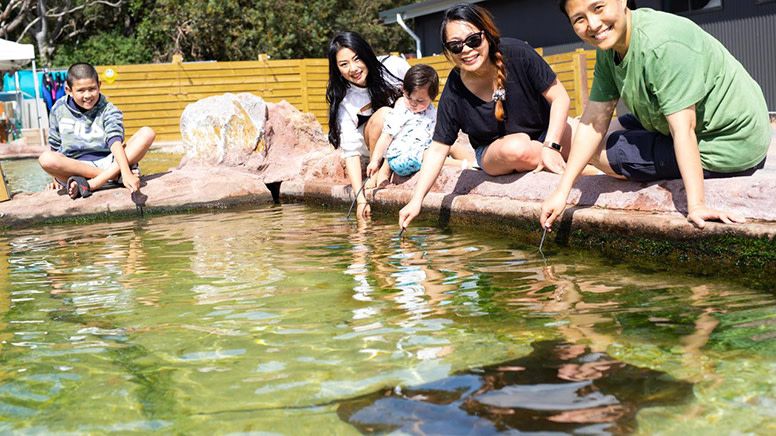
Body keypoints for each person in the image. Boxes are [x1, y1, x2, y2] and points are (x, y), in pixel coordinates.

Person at [542, 0, 770, 230]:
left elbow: (683, 130)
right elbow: (594, 121)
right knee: (586, 134)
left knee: (597, 154)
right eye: (579, 19)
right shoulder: (609, 48)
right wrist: (562, 192)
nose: (593, 24)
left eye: (598, 8)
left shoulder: (661, 44)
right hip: (671, 116)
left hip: (729, 141)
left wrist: (696, 205)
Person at [398, 3, 577, 231]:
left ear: (487, 34)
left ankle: (565, 161)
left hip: (545, 135)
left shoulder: (518, 53)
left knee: (583, 136)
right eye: (456, 46)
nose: (466, 50)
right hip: (495, 152)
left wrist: (551, 146)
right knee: (516, 147)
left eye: (473, 40)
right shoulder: (454, 89)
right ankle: (578, 170)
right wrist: (416, 200)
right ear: (448, 50)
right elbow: (438, 148)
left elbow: (560, 98)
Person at [38, 62, 155, 199]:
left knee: (147, 133)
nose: (87, 95)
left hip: (109, 161)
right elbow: (55, 145)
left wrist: (124, 170)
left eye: (92, 89)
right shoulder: (58, 109)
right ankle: (114, 177)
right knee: (46, 159)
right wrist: (55, 178)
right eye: (81, 90)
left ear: (99, 85)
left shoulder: (108, 109)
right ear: (68, 90)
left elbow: (114, 140)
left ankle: (94, 183)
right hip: (75, 167)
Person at [326, 31, 410, 219]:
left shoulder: (393, 66)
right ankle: (377, 171)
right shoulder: (346, 100)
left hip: (405, 133)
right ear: (337, 69)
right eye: (344, 64)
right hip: (372, 145)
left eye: (357, 59)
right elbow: (351, 152)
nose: (353, 68)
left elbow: (422, 90)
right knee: (385, 114)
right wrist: (361, 200)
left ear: (366, 54)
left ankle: (470, 164)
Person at [366, 64, 472, 182]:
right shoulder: (401, 110)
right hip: (403, 157)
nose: (413, 103)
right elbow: (386, 136)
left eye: (420, 100)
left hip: (424, 150)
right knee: (430, 155)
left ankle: (474, 163)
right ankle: (464, 165)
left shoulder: (431, 111)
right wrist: (375, 161)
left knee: (450, 145)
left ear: (432, 97)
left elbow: (440, 130)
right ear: (403, 90)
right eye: (408, 97)